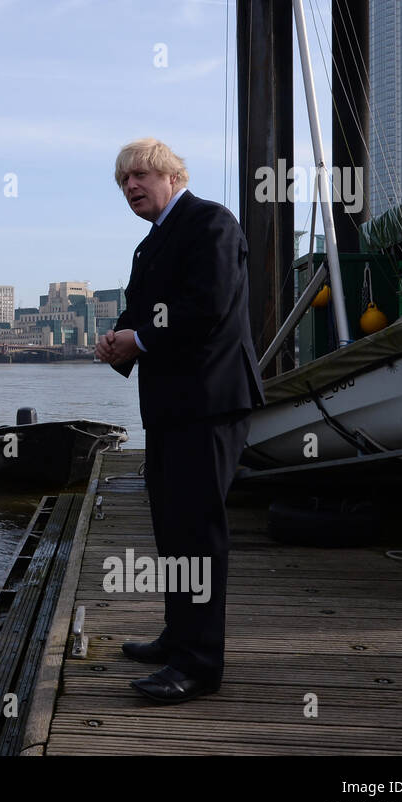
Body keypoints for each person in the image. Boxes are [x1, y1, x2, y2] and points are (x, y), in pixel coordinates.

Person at [95, 137, 264, 704]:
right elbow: (143, 311)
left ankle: (199, 664)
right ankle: (179, 634)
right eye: (123, 182)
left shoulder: (210, 223)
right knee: (172, 527)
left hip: (210, 400)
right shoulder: (152, 245)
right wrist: (118, 339)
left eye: (140, 175)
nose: (131, 187)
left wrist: (137, 338)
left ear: (172, 174)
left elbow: (207, 307)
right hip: (170, 406)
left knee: (197, 530)